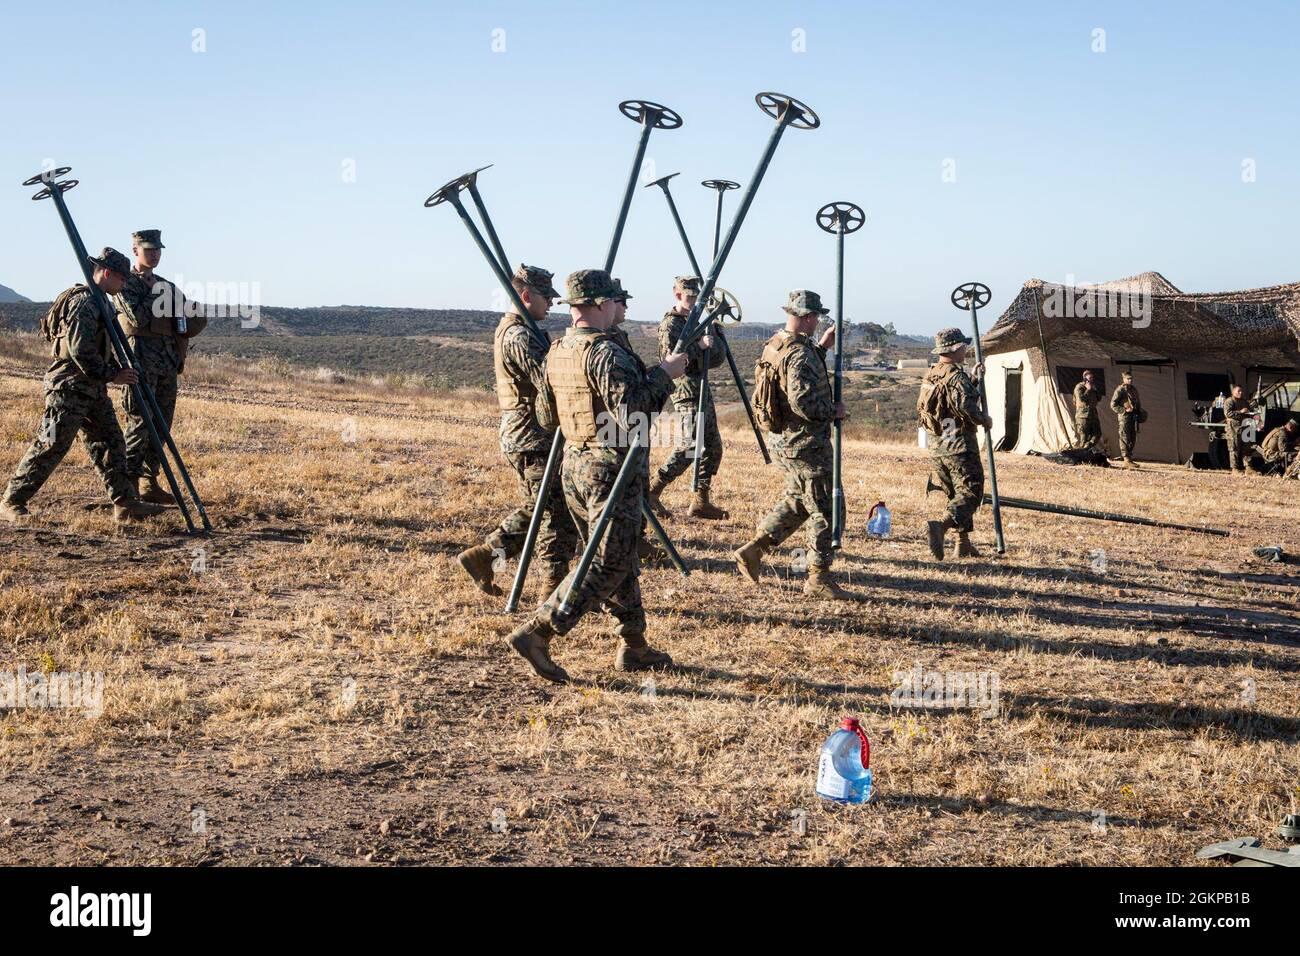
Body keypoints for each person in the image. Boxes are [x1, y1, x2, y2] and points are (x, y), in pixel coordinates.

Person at [506, 270, 687, 683]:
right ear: (603, 304)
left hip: (574, 463)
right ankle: (538, 632)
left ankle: (634, 644)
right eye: (615, 302)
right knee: (609, 560)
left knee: (618, 555)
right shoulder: (606, 353)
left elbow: (546, 416)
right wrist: (665, 374)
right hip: (610, 469)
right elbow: (634, 415)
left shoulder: (557, 349)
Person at [0, 248, 164, 524]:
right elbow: (81, 350)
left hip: (92, 389)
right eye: (122, 278)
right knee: (50, 443)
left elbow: (100, 347)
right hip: (67, 389)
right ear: (107, 273)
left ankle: (125, 503)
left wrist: (114, 371)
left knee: (111, 442)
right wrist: (113, 374)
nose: (124, 284)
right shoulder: (85, 302)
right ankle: (12, 501)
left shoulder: (101, 302)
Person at [457, 265, 577, 597]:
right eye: (546, 298)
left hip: (530, 433)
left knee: (540, 506)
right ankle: (552, 586)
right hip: (531, 435)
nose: (550, 304)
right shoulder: (520, 336)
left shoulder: (521, 330)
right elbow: (548, 382)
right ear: (526, 295)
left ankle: (486, 558)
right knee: (553, 512)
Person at [733, 290, 850, 599]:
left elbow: (790, 378)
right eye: (816, 317)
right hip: (805, 443)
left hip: (783, 441)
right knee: (827, 508)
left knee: (799, 499)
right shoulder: (800, 353)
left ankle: (754, 550)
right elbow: (802, 401)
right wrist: (833, 411)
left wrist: (822, 347)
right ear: (808, 317)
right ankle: (817, 577)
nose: (817, 321)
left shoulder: (776, 344)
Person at [114, 230, 208, 503]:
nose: (154, 254)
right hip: (139, 362)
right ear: (135, 251)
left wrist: (192, 311)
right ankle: (129, 485)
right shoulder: (124, 283)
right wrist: (156, 294)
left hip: (167, 362)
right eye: (148, 250)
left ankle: (149, 481)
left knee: (161, 424)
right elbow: (137, 317)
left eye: (157, 250)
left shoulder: (167, 285)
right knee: (139, 421)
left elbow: (186, 318)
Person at [647, 275, 727, 520]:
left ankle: (701, 501)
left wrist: (716, 335)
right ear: (678, 295)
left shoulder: (697, 322)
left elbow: (714, 360)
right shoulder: (671, 324)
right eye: (689, 296)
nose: (693, 301)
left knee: (713, 447)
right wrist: (698, 346)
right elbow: (669, 358)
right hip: (686, 391)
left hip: (701, 389)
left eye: (696, 296)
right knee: (691, 446)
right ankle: (652, 490)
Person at [917, 327, 992, 560]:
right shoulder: (956, 377)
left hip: (937, 445)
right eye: (964, 346)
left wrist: (974, 379)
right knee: (971, 492)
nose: (966, 350)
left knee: (955, 495)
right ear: (956, 348)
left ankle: (963, 543)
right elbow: (965, 406)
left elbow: (952, 400)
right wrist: (984, 419)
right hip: (959, 445)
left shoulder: (932, 374)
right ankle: (940, 526)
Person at [1109, 371, 1144, 468]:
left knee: (1132, 438)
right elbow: (1113, 405)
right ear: (1123, 379)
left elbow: (1137, 402)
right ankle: (1126, 459)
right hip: (1124, 417)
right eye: (1128, 379)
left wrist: (1139, 412)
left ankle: (1129, 458)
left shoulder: (1133, 389)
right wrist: (1124, 410)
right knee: (1124, 437)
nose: (1130, 380)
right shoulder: (1120, 390)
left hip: (1133, 417)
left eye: (1131, 378)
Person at [1221, 384, 1253, 475]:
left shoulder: (1244, 402)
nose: (1240, 393)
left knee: (1246, 447)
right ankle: (1234, 469)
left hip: (1244, 427)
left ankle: (1248, 468)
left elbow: (1248, 412)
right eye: (1238, 391)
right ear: (1233, 392)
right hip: (1233, 429)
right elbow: (1228, 413)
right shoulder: (1229, 401)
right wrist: (1240, 412)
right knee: (1234, 448)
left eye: (1241, 391)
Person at [1072, 370, 1103, 448]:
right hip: (1083, 416)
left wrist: (1095, 390)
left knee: (1097, 434)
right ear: (1085, 379)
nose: (1092, 379)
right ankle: (1083, 452)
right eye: (1090, 378)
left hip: (1093, 414)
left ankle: (1087, 446)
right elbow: (1081, 399)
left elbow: (1099, 398)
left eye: (1092, 378)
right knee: (1084, 438)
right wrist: (1088, 390)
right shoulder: (1079, 387)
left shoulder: (1093, 387)